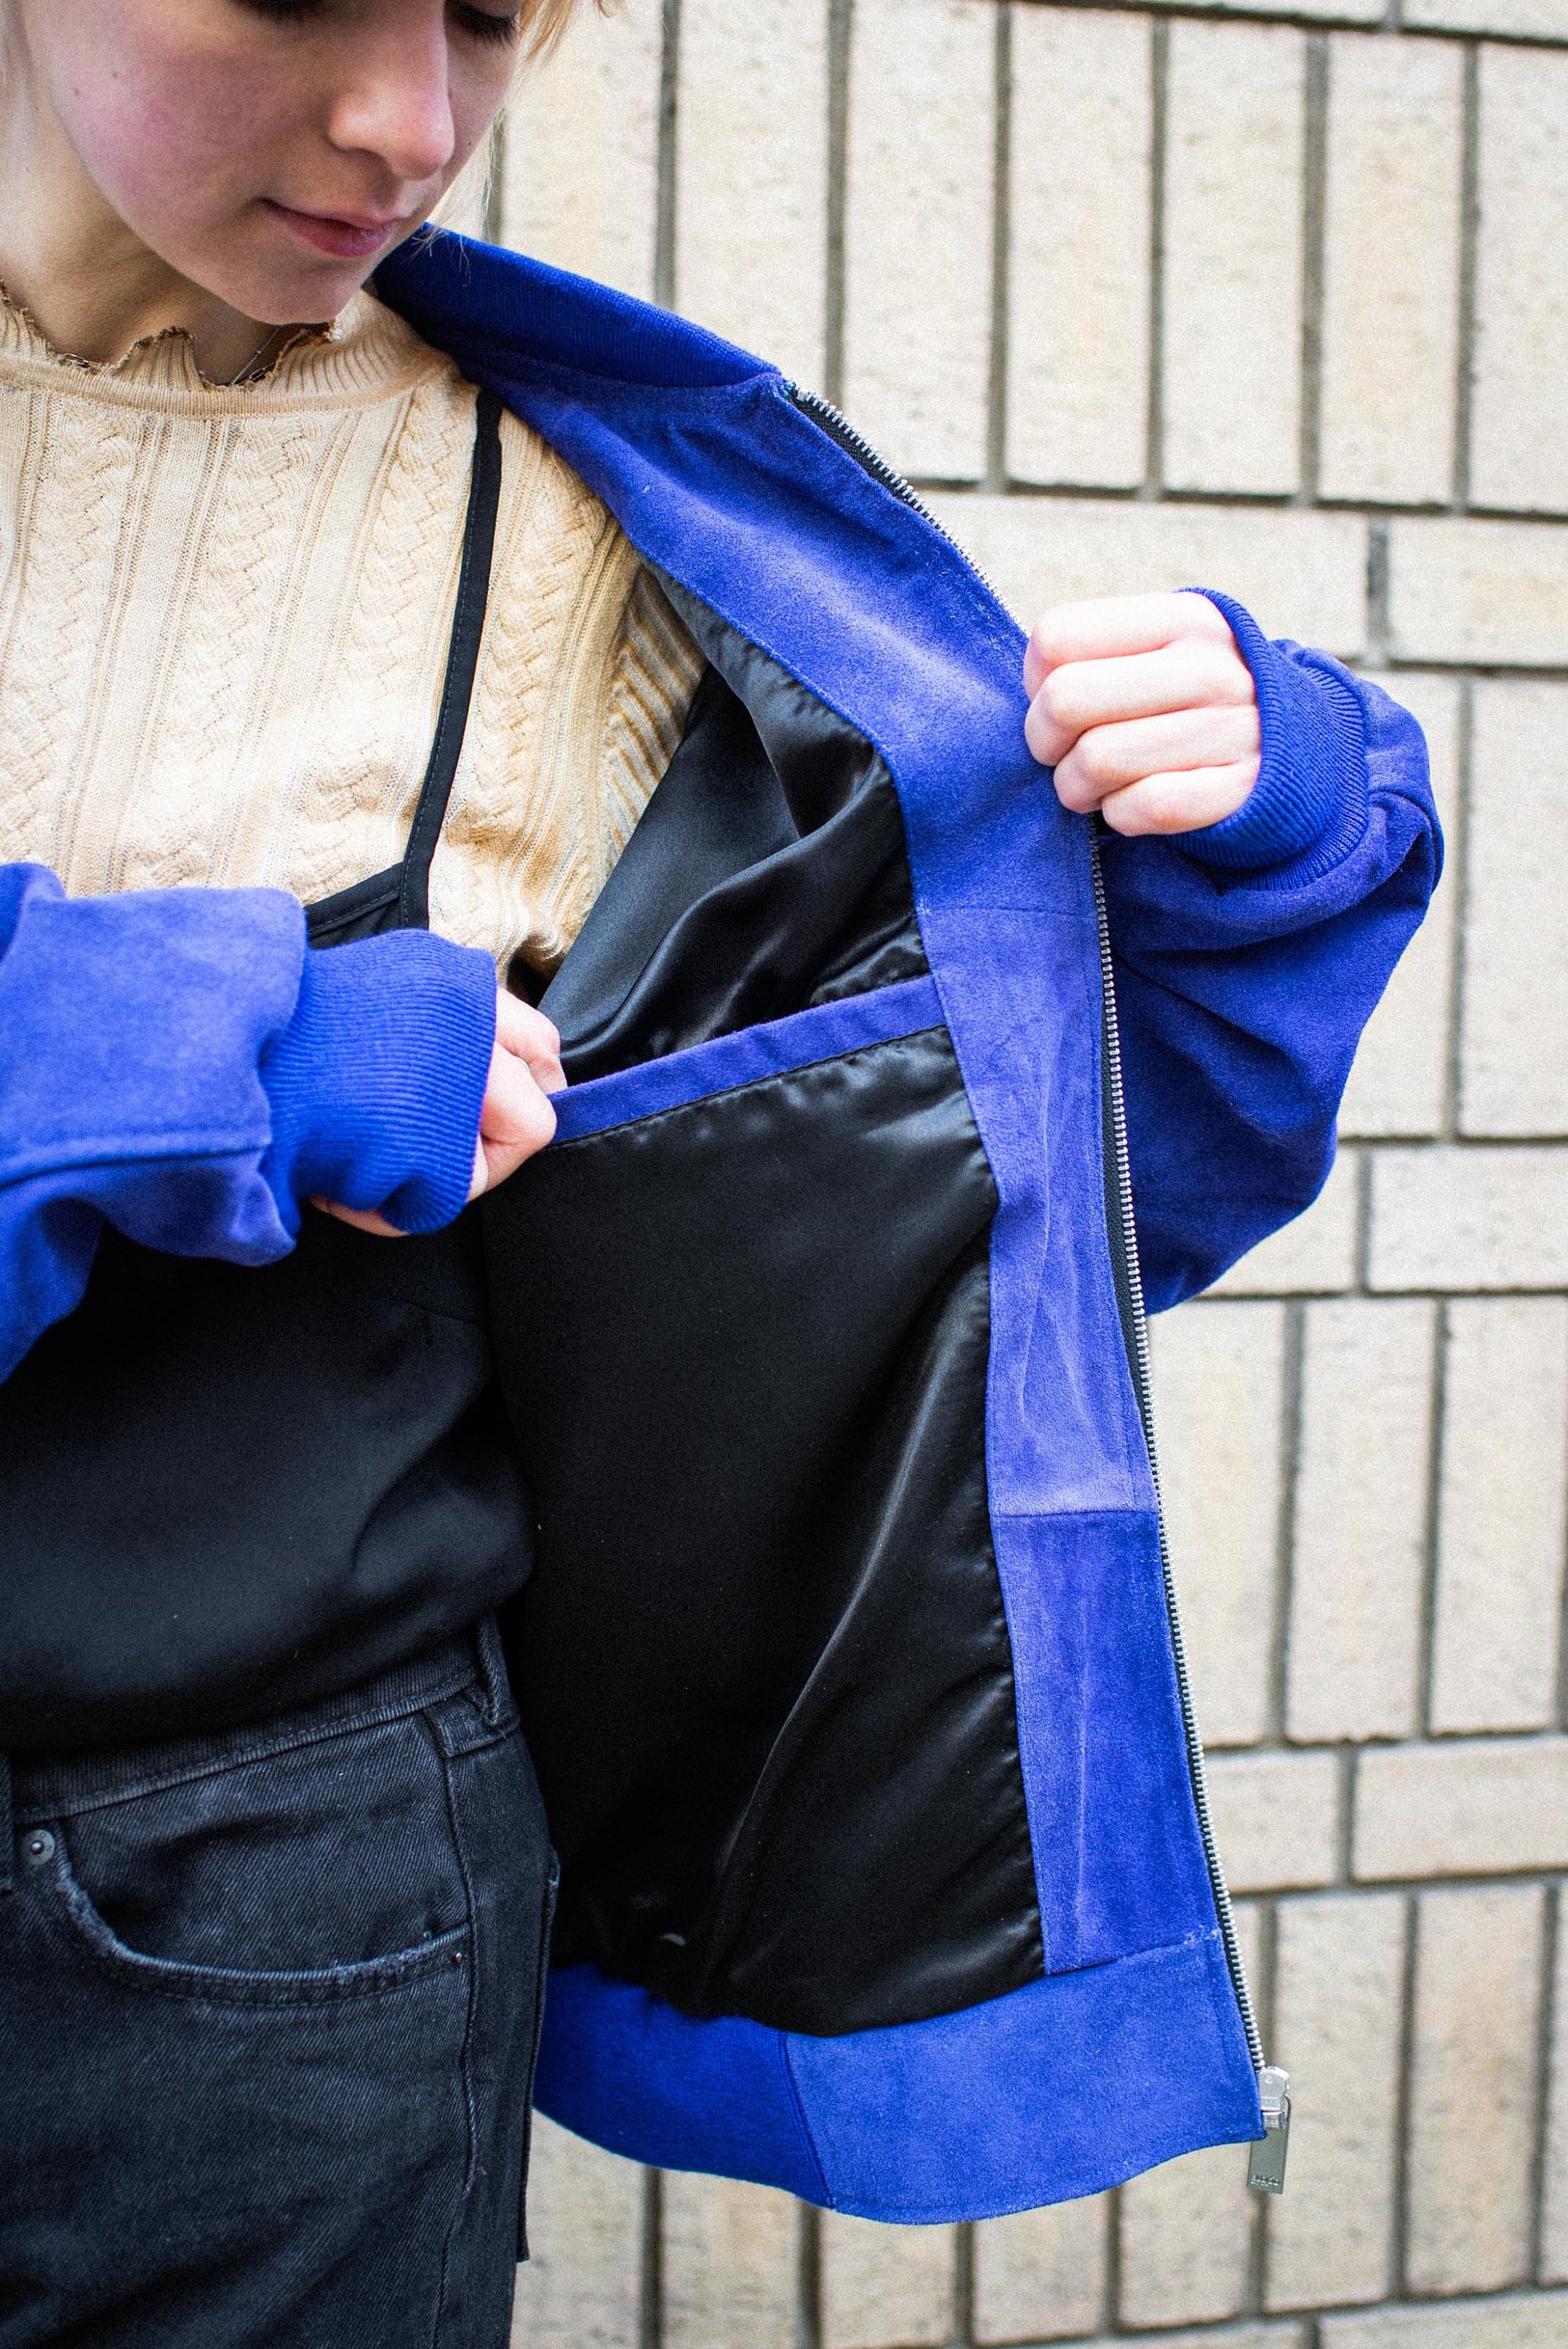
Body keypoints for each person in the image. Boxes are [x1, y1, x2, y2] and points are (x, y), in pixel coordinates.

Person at [0, 1, 1440, 2343]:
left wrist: (1263, 853)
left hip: (287, 1879)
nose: (410, 119)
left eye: (491, 13)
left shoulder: (596, 528)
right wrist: (204, 1047)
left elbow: (949, 1225)